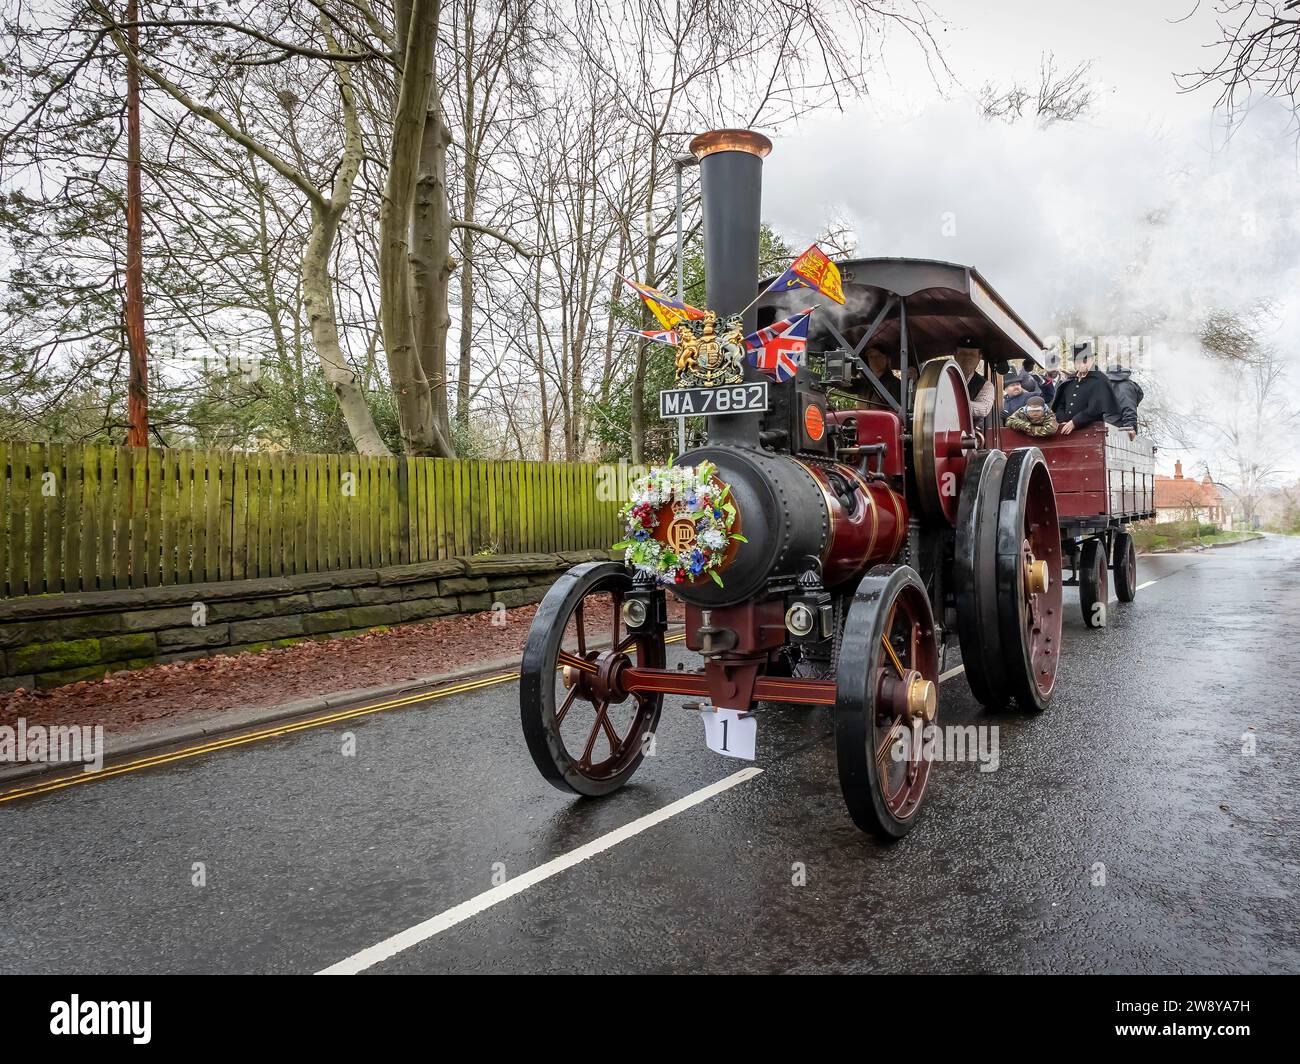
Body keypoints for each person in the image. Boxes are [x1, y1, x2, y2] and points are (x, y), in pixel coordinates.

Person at [1051, 342, 1118, 436]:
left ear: (1091, 360)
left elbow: (1095, 408)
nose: (1082, 364)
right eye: (1078, 361)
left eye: (1085, 360)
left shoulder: (1100, 380)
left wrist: (1075, 422)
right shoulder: (1070, 380)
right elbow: (1060, 404)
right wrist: (1062, 420)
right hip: (1066, 430)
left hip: (1091, 433)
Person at [953, 339, 995, 422]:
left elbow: (984, 408)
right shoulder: (944, 375)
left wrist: (953, 404)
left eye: (972, 354)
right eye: (963, 353)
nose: (967, 357)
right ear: (955, 355)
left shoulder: (986, 385)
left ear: (980, 357)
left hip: (967, 433)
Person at [1104, 363, 1143, 440]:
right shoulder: (1114, 386)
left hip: (1117, 433)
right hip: (1111, 431)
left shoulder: (1124, 387)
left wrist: (1130, 428)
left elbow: (1129, 408)